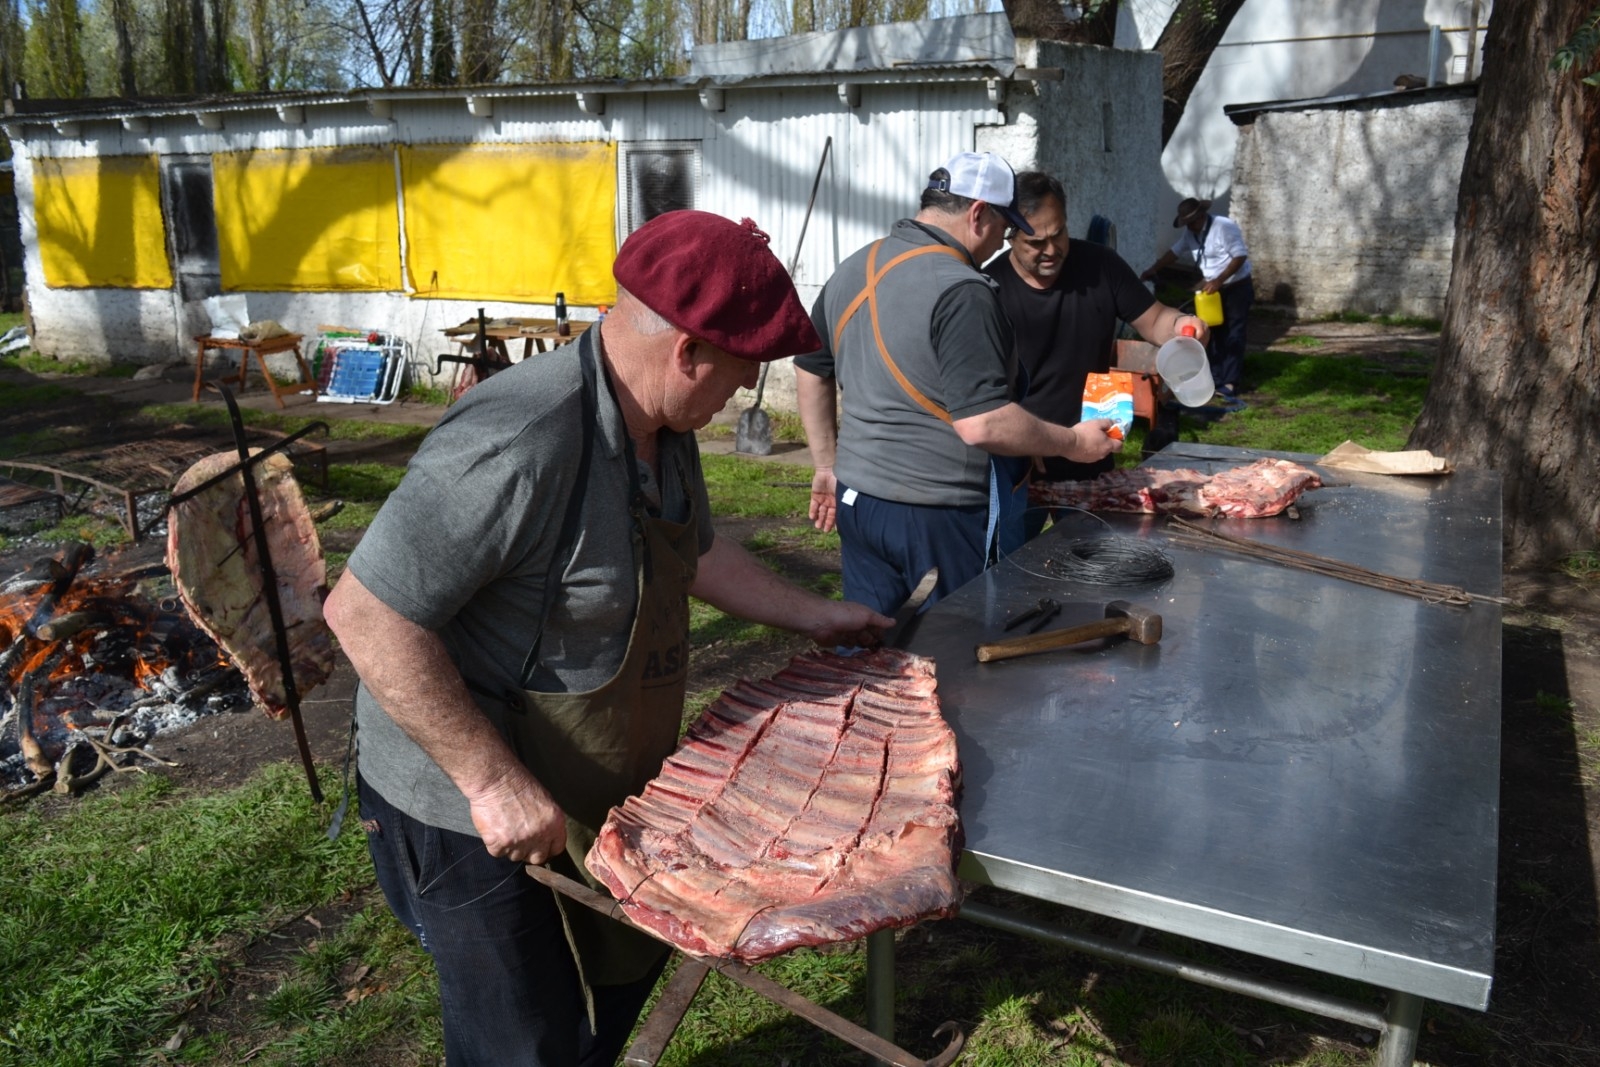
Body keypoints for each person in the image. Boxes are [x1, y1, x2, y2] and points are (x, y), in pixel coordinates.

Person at [322, 210, 892, 1067]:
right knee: (522, 1038)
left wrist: (813, 614)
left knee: (622, 972)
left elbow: (687, 547)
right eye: (742, 374)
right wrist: (490, 782)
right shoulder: (520, 438)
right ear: (688, 352)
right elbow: (365, 614)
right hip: (467, 802)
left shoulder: (661, 426)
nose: (743, 394)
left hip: (589, 776)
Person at [794, 151, 1121, 616]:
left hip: (857, 499)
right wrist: (1070, 442)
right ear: (978, 214)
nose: (1001, 245)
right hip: (935, 513)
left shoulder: (855, 265)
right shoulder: (963, 289)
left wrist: (826, 464)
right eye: (1004, 229)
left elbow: (810, 367)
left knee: (868, 646)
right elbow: (982, 423)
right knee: (952, 657)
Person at [985, 171, 1210, 535]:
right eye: (1035, 241)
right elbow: (985, 391)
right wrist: (1025, 442)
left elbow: (1154, 320)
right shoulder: (988, 290)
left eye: (1058, 233)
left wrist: (1184, 324)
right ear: (1011, 236)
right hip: (1022, 461)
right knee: (1012, 572)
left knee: (1093, 562)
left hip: (1093, 443)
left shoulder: (1101, 266)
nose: (1051, 249)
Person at [1141, 196, 1254, 410]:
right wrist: (1153, 269)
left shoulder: (1223, 227)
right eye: (1187, 223)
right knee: (1212, 333)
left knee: (1234, 333)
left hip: (1235, 287)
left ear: (1202, 215)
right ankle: (1216, 378)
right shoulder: (1191, 233)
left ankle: (1230, 382)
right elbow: (1174, 253)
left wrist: (1218, 280)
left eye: (1192, 221)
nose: (1190, 226)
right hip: (1211, 292)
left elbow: (1239, 256)